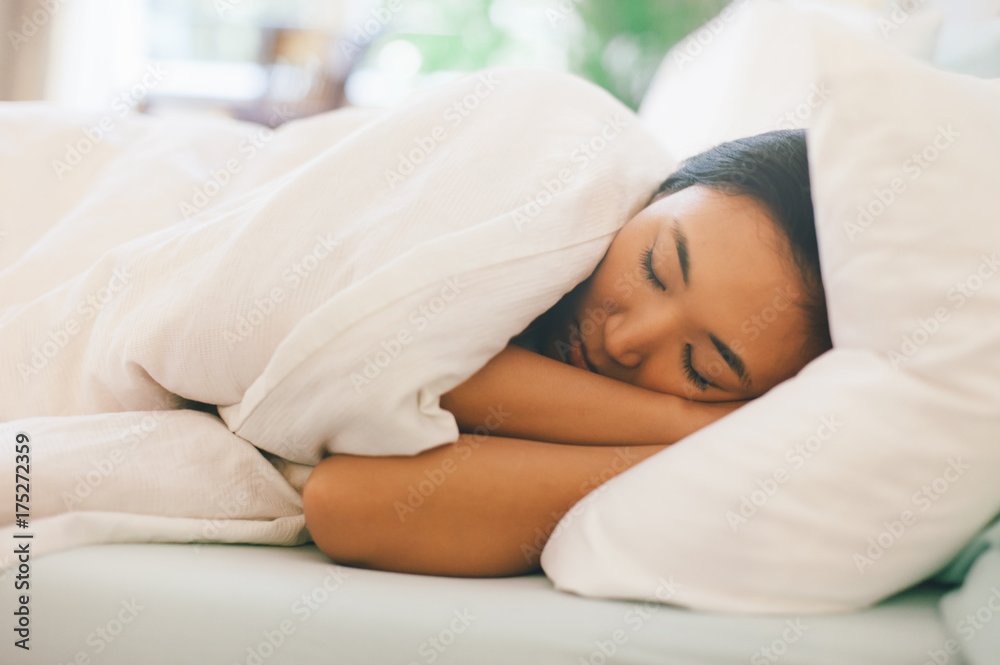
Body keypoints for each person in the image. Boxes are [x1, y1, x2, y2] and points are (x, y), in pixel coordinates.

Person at [302, 129, 832, 578]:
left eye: (702, 369)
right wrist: (682, 422)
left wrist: (699, 450)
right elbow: (395, 359)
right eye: (654, 269)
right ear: (665, 190)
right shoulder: (570, 189)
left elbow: (343, 504)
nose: (624, 341)